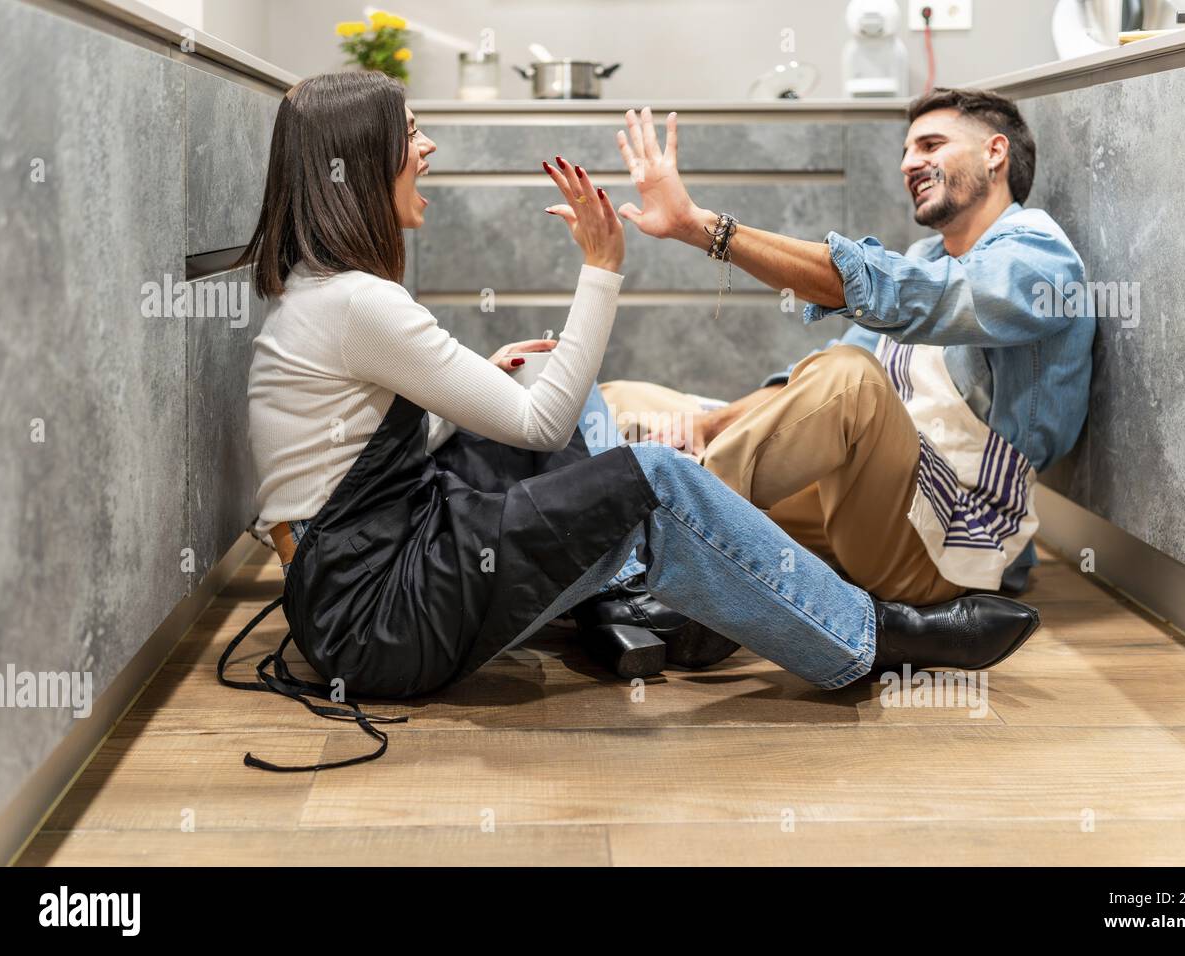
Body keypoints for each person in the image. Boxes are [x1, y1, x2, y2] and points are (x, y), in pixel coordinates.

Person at [219, 72, 1040, 772]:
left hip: (356, 588)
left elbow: (366, 454)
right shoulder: (361, 302)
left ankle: (627, 593)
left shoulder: (323, 290)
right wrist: (602, 268)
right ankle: (873, 637)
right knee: (652, 480)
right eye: (411, 134)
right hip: (381, 620)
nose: (427, 147)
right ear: (359, 164)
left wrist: (477, 381)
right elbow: (539, 429)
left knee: (557, 386)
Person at [600, 91, 1094, 607]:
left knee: (850, 376)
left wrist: (702, 229)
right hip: (857, 508)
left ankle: (676, 542)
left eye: (931, 144)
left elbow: (908, 300)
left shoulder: (1041, 257)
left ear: (995, 153)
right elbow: (810, 391)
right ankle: (622, 533)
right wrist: (709, 425)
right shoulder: (926, 255)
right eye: (906, 152)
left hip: (948, 540)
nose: (909, 164)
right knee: (625, 403)